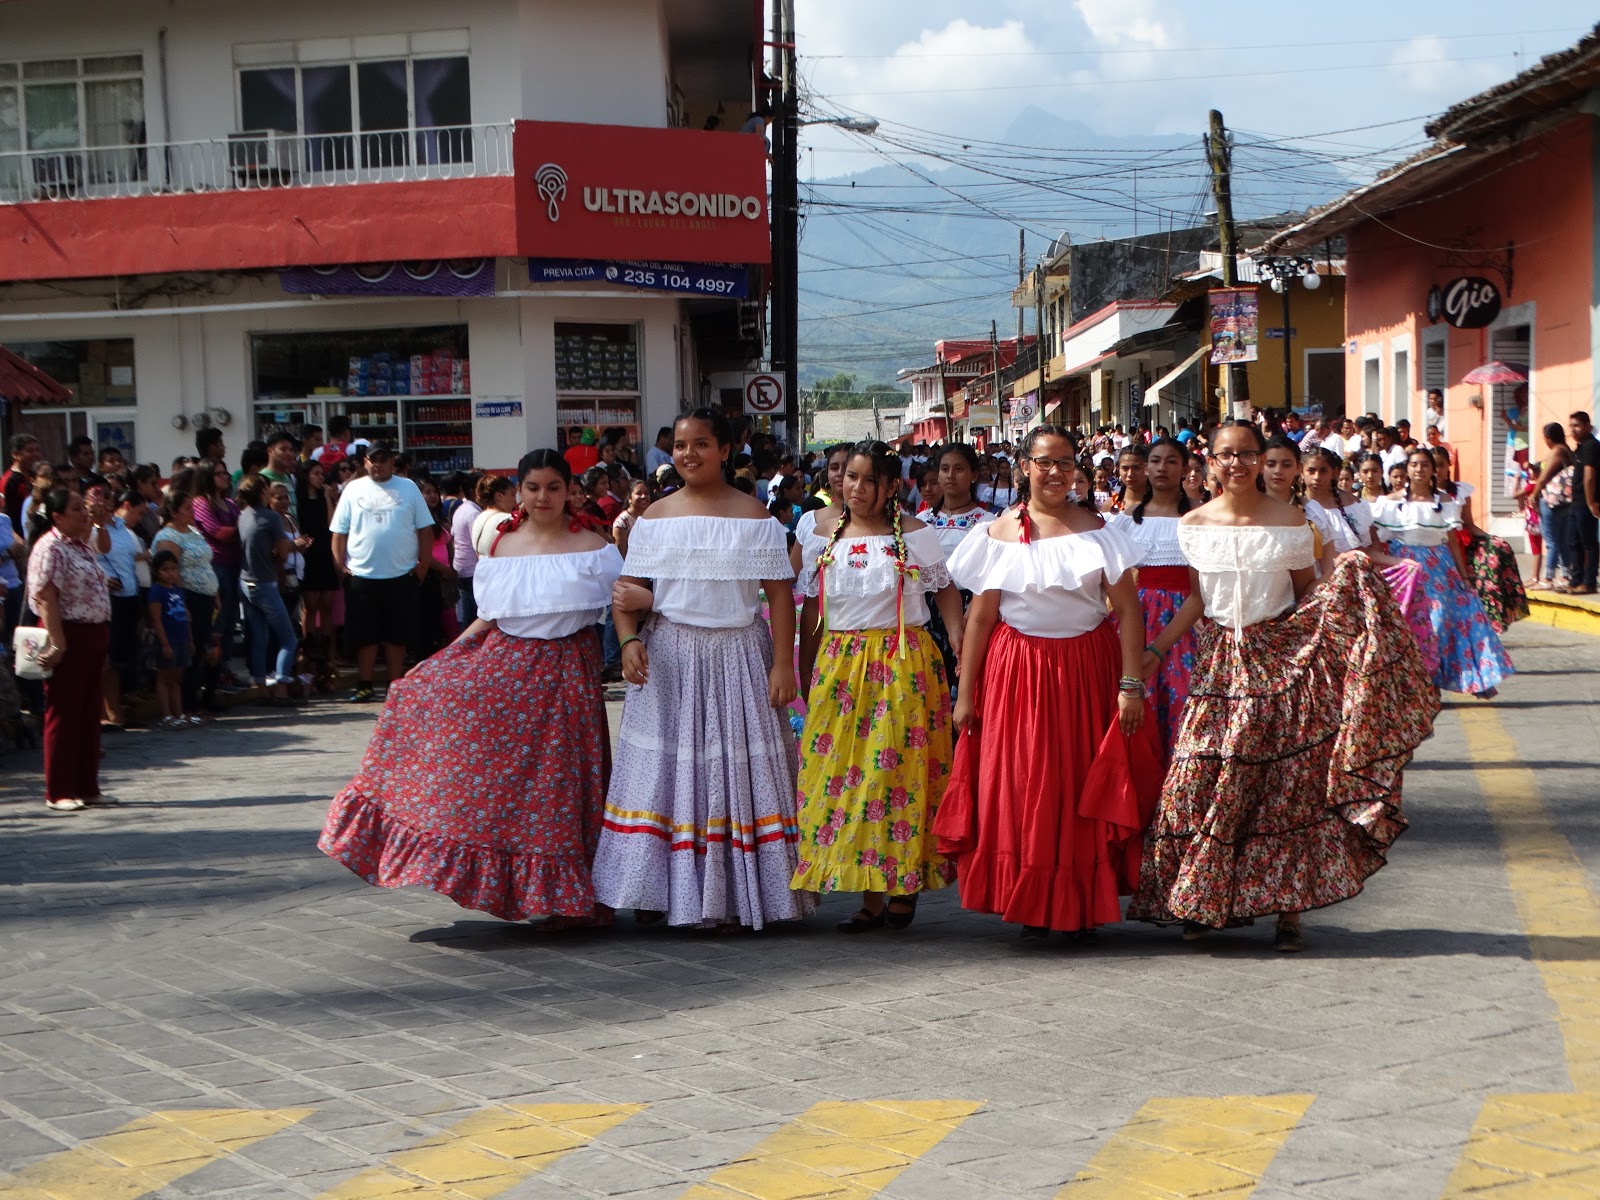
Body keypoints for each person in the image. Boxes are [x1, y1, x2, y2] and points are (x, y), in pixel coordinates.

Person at [1128, 422, 1439, 952]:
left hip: (1282, 660)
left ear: (1261, 459)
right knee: (1200, 774)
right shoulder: (1193, 524)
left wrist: (1348, 591)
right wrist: (1155, 652)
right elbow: (1199, 600)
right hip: (1219, 661)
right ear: (1211, 461)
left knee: (1284, 788)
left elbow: (1306, 596)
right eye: (1227, 455)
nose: (1238, 464)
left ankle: (1289, 912)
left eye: (1248, 454)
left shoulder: (1291, 522)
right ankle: (1201, 899)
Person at [321, 450, 623, 925]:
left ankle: (565, 901)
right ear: (518, 493)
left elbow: (625, 606)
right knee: (509, 787)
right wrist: (437, 664)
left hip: (568, 677)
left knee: (561, 784)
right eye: (533, 488)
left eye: (553, 487)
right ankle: (532, 896)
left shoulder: (597, 549)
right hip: (509, 670)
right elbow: (489, 617)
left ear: (570, 491)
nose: (543, 497)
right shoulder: (501, 546)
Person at [932, 425, 1158, 943]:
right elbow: (982, 619)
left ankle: (1077, 904)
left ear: (1076, 468)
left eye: (1063, 462)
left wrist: (1130, 686)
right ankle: (1031, 902)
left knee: (1077, 785)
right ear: (1023, 467)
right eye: (1043, 461)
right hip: (1016, 675)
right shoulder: (998, 532)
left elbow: (1127, 612)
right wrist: (966, 695)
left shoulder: (1102, 531)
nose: (1054, 472)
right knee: (1025, 784)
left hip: (1086, 671)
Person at [593, 408, 810, 930]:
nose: (689, 454)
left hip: (738, 655)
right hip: (669, 657)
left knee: (733, 773)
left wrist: (783, 664)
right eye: (682, 445)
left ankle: (737, 896)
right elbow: (626, 594)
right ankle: (658, 891)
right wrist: (627, 642)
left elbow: (780, 595)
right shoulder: (654, 519)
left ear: (724, 450)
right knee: (664, 774)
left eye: (702, 444)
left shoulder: (756, 517)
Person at [790, 441, 965, 932]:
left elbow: (944, 588)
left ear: (891, 487)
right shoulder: (817, 530)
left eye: (869, 480)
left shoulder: (915, 534)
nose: (857, 488)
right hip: (840, 666)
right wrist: (807, 668)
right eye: (850, 477)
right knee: (847, 779)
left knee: (895, 778)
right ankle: (868, 891)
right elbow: (810, 607)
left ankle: (903, 886)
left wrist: (956, 636)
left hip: (902, 663)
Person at [1372, 449, 1514, 698]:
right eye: (1414, 464)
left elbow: (1452, 542)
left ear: (1433, 470)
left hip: (1439, 568)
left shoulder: (1445, 501)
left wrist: (1464, 576)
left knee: (1450, 622)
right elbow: (1378, 540)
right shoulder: (1390, 502)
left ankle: (1470, 677)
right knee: (1413, 625)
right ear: (1407, 469)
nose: (1419, 469)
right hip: (1405, 568)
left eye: (1424, 465)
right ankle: (1418, 685)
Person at [1301, 447, 1439, 679]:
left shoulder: (1354, 505)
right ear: (1301, 472)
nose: (1317, 477)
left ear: (1334, 472)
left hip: (1355, 587)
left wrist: (1399, 562)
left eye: (1323, 471)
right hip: (1316, 585)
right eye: (1311, 470)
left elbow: (1369, 550)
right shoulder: (1298, 508)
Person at [1107, 437, 1203, 756]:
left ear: (1186, 469)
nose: (1162, 468)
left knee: (1184, 704)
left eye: (1172, 461)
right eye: (1156, 461)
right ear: (1146, 468)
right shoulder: (1126, 520)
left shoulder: (1201, 517)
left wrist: (1160, 648)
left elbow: (1202, 593)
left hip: (1187, 624)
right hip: (1137, 619)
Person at [26, 488, 115, 811]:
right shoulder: (50, 547)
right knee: (64, 711)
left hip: (93, 632)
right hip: (68, 633)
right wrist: (58, 640)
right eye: (77, 509)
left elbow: (103, 544)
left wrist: (101, 521)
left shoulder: (81, 545)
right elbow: (46, 596)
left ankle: (87, 785)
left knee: (89, 712)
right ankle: (59, 790)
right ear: (58, 516)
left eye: (84, 507)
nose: (84, 513)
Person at [329, 442, 434, 704]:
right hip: (362, 575)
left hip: (401, 575)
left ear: (392, 462)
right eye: (373, 460)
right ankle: (364, 684)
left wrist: (422, 567)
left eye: (383, 459)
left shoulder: (408, 487)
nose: (378, 464)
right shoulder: (353, 489)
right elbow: (339, 531)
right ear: (365, 462)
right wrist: (339, 566)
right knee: (365, 635)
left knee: (396, 635)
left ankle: (394, 685)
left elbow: (425, 530)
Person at [152, 491, 219, 721]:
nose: (193, 512)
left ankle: (196, 702)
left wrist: (215, 591)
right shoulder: (168, 537)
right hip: (187, 598)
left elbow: (205, 562)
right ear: (173, 512)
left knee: (202, 650)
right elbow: (169, 573)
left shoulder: (193, 532)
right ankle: (187, 706)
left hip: (206, 597)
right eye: (187, 508)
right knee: (191, 652)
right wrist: (181, 600)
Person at [237, 478, 298, 703]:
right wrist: (294, 546)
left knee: (259, 638)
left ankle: (261, 687)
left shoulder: (242, 515)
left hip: (244, 581)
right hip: (265, 583)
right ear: (264, 492)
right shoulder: (271, 518)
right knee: (288, 639)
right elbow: (283, 553)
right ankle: (281, 688)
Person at [91, 485, 144, 731]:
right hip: (104, 598)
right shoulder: (86, 528)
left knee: (119, 658)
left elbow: (134, 558)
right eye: (95, 498)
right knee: (104, 658)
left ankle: (115, 709)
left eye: (105, 497)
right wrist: (102, 577)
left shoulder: (124, 529)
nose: (100, 503)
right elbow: (89, 557)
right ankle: (102, 711)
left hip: (129, 595)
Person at [191, 458, 243, 681]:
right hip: (215, 566)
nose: (224, 477)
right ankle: (213, 671)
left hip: (233, 565)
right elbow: (217, 532)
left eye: (225, 473)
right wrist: (240, 528)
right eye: (218, 473)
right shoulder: (201, 503)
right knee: (218, 621)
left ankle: (225, 666)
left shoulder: (230, 503)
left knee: (231, 619)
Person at [297, 462, 339, 691]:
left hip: (324, 552)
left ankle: (328, 664)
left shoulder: (324, 498)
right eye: (316, 473)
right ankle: (308, 664)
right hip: (308, 555)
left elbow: (332, 525)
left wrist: (329, 499)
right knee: (309, 608)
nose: (320, 477)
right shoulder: (300, 500)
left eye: (322, 473)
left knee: (327, 608)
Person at [146, 551, 192, 729]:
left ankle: (178, 713)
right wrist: (164, 643)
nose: (170, 573)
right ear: (157, 571)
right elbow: (156, 619)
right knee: (164, 677)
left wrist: (190, 639)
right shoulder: (157, 591)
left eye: (173, 569)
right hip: (167, 640)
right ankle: (166, 715)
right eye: (165, 569)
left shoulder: (178, 590)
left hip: (181, 639)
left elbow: (185, 616)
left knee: (176, 679)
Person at [1527, 422, 1575, 591]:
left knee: (1551, 541)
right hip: (1564, 502)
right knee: (1562, 540)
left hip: (1552, 501)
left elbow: (1545, 476)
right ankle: (1565, 575)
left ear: (1549, 438)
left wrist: (1534, 494)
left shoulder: (1557, 451)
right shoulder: (1567, 451)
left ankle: (1548, 578)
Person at [1568, 411, 1600, 594]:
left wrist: (1590, 503)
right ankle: (1575, 580)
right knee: (1574, 542)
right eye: (1571, 425)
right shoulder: (1580, 447)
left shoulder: (1591, 446)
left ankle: (1589, 582)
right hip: (1576, 501)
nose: (1573, 429)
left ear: (1587, 426)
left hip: (1585, 502)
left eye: (1577, 425)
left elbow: (1589, 477)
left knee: (1588, 543)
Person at [260, 431, 300, 522]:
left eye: (291, 450)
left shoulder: (287, 478)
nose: (289, 454)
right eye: (283, 449)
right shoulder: (262, 479)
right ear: (270, 451)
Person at [2, 434, 40, 527]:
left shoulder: (33, 476)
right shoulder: (11, 481)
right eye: (30, 451)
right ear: (15, 455)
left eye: (37, 450)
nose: (36, 454)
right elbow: (7, 518)